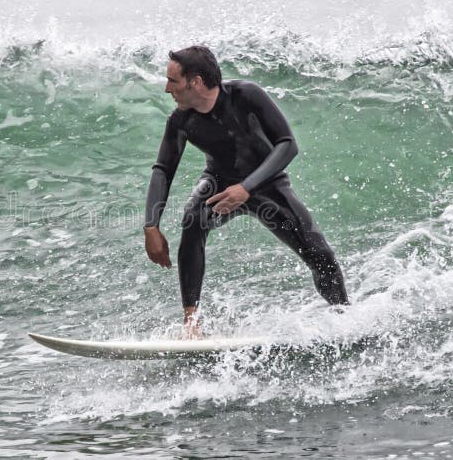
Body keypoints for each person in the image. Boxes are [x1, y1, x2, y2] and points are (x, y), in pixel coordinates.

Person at [143, 45, 349, 338]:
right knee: (193, 218)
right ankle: (191, 325)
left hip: (267, 184)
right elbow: (163, 169)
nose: (167, 89)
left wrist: (246, 188)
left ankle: (344, 318)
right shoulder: (181, 121)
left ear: (196, 82)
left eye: (173, 81)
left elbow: (287, 144)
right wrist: (151, 226)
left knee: (321, 256)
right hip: (219, 183)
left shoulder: (246, 95)